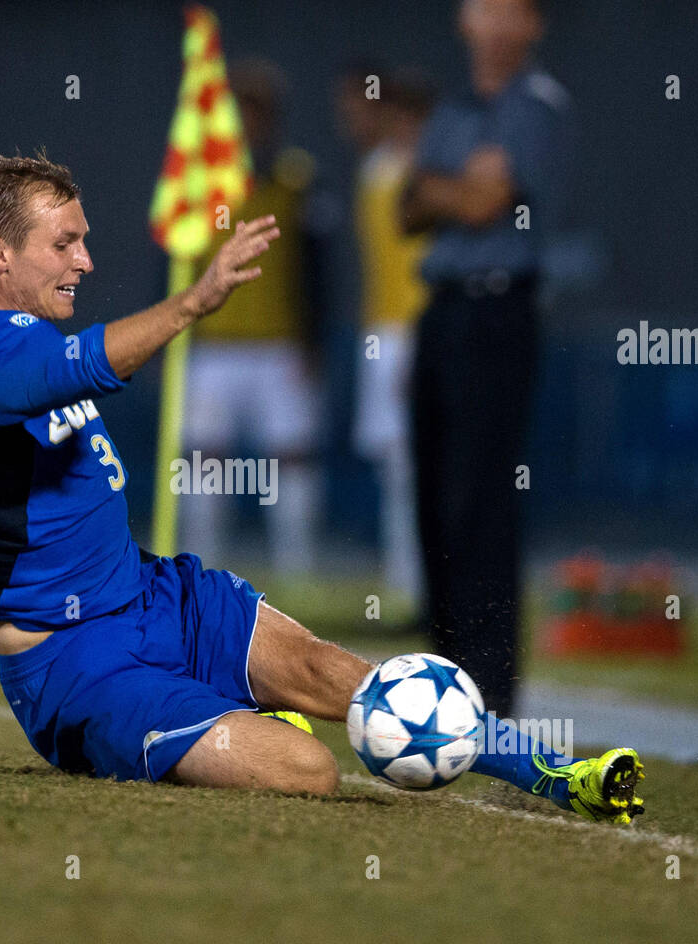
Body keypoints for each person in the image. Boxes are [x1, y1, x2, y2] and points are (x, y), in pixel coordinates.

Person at [0, 152, 644, 822]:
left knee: (335, 670)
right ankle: (217, 720)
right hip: (76, 668)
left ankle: (553, 773)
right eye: (65, 244)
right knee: (304, 768)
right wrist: (194, 302)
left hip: (154, 594)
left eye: (84, 240)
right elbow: (81, 365)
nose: (86, 260)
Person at [400, 0, 573, 716]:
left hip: (499, 310)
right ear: (464, 19)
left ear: (534, 24)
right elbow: (406, 206)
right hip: (440, 311)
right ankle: (444, 678)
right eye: (484, 8)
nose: (494, 22)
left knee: (482, 500)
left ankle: (490, 687)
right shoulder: (456, 107)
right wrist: (450, 186)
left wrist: (447, 188)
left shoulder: (537, 105)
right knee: (433, 498)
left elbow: (480, 201)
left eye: (511, 11)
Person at [180, 57, 327, 575]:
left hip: (279, 344)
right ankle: (202, 570)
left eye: (259, 114)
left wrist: (316, 341)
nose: (249, 125)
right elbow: (174, 263)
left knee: (293, 459)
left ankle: (299, 570)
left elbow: (317, 266)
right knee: (205, 463)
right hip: (213, 343)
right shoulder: (197, 184)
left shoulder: (295, 180)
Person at [338, 65, 436, 612]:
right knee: (392, 460)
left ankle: (420, 581)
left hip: (412, 330)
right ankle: (405, 575)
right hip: (380, 329)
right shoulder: (374, 170)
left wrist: (421, 336)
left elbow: (424, 262)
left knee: (415, 461)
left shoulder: (424, 176)